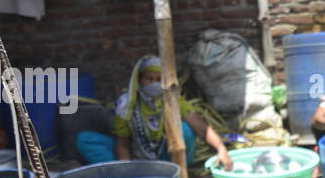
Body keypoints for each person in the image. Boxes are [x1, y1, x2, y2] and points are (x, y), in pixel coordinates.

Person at [76, 55, 232, 169]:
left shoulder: (173, 100)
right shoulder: (128, 105)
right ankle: (126, 173)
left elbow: (201, 128)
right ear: (139, 80)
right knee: (85, 139)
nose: (153, 84)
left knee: (185, 130)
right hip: (137, 156)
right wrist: (127, 171)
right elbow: (122, 143)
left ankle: (176, 172)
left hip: (167, 156)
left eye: (159, 80)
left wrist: (221, 149)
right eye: (148, 79)